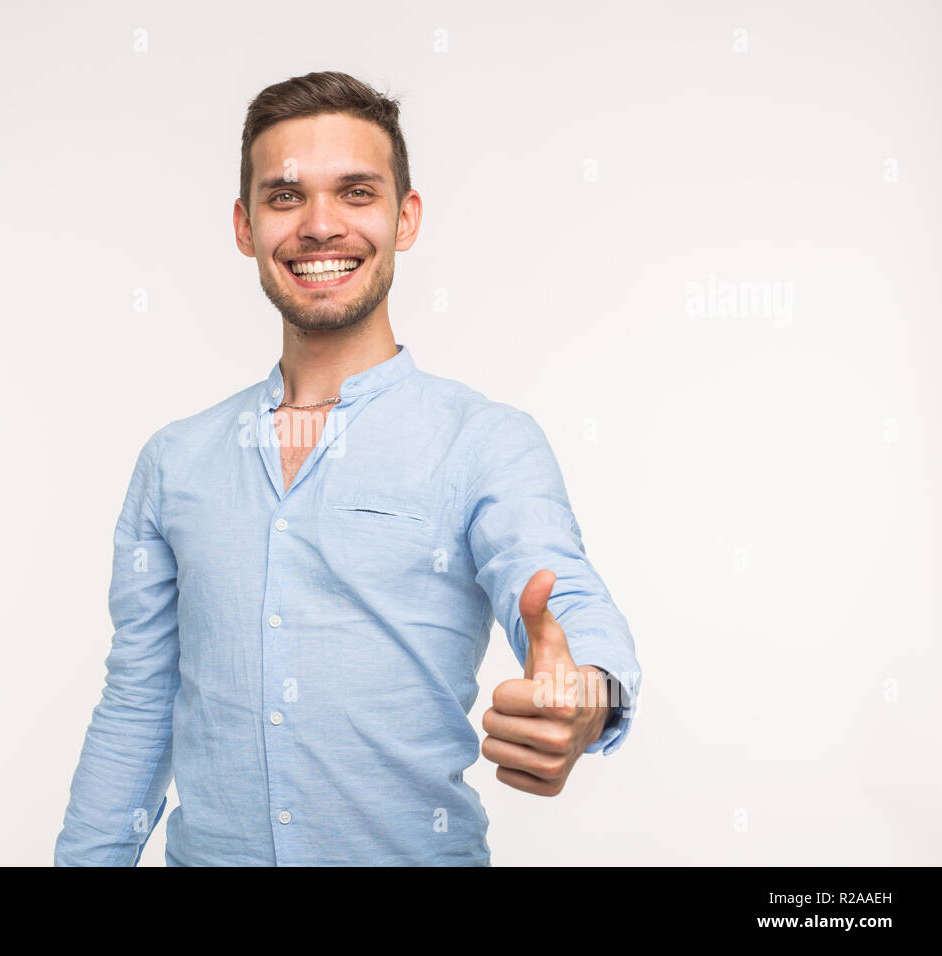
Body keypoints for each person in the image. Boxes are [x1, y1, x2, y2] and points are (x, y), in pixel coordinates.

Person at [54, 70, 642, 866]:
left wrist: (586, 699)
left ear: (406, 218)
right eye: (286, 196)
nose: (320, 226)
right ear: (244, 224)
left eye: (356, 193)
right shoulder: (174, 462)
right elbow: (139, 703)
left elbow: (565, 598)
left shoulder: (483, 441)